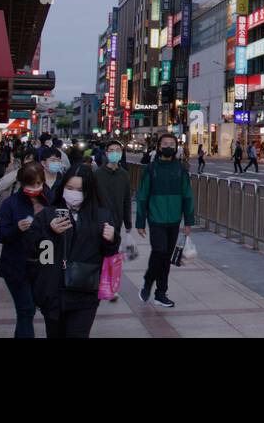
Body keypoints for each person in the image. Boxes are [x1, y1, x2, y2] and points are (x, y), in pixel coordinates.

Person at [29, 165, 118, 338]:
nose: (74, 193)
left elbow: (109, 253)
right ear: (62, 188)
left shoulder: (101, 215)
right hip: (53, 291)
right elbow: (32, 248)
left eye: (80, 189)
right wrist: (50, 232)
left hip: (85, 292)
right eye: (69, 188)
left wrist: (112, 239)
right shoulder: (48, 215)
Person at [136, 133, 195, 308]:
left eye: (172, 143)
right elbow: (142, 196)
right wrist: (140, 221)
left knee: (166, 257)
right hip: (156, 218)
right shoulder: (151, 169)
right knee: (159, 251)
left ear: (176, 147)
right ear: (159, 147)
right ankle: (148, 281)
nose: (168, 146)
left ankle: (161, 293)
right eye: (165, 143)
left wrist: (188, 221)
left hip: (174, 219)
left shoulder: (181, 168)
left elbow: (187, 195)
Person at [0, 162, 48, 338]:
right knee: (26, 309)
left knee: (34, 308)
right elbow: (0, 234)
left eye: (39, 183)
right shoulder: (11, 204)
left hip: (43, 264)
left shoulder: (49, 198)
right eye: (31, 184)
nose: (35, 188)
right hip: (16, 266)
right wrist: (17, 228)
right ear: (22, 183)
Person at [94, 141, 133, 303]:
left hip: (116, 222)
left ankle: (111, 287)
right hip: (98, 221)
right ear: (106, 153)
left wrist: (128, 223)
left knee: (112, 256)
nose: (115, 153)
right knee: (97, 255)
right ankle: (96, 284)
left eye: (118, 150)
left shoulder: (124, 174)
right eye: (111, 150)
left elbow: (126, 200)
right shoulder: (97, 174)